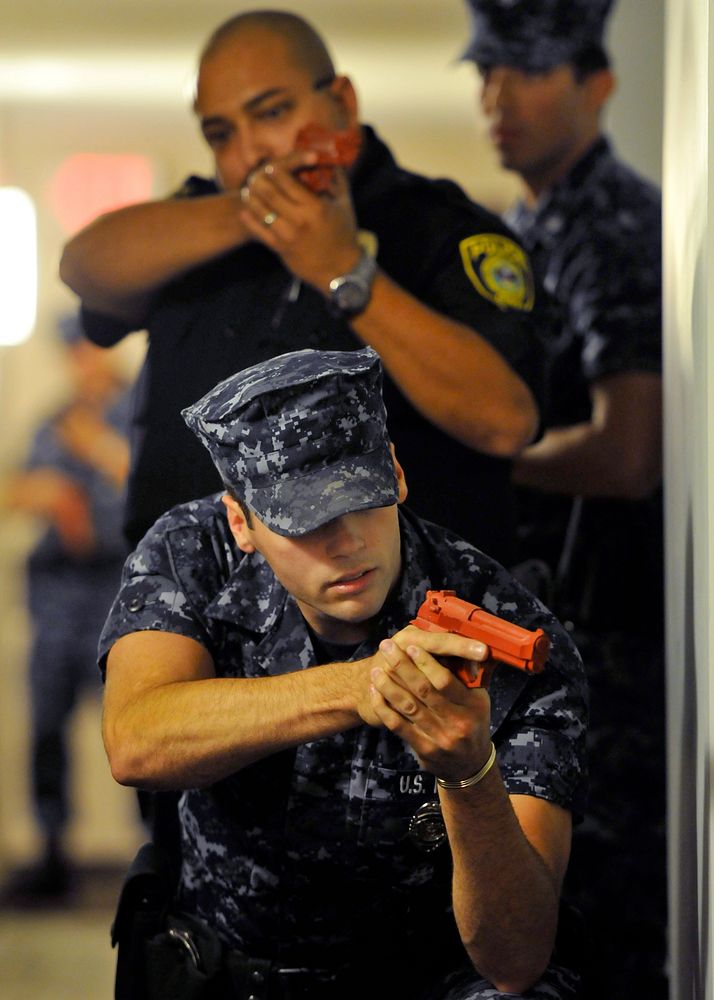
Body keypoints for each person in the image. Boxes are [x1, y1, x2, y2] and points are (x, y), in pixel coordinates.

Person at [101, 346, 588, 1000]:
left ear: (394, 473)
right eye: (304, 519)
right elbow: (136, 740)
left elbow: (515, 957)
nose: (344, 540)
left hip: (423, 980)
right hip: (230, 969)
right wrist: (355, 688)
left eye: (360, 498)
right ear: (242, 522)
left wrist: (468, 773)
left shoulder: (503, 629)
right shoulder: (194, 552)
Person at [58, 8, 550, 571]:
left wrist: (345, 270)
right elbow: (82, 266)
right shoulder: (195, 227)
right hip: (192, 608)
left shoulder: (439, 229)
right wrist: (255, 213)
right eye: (221, 135)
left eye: (271, 113)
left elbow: (505, 419)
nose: (250, 153)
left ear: (341, 102)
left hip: (393, 623)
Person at [459, 2, 666, 996]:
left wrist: (489, 454)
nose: (498, 98)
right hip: (544, 629)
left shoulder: (610, 222)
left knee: (599, 934)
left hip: (607, 641)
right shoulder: (527, 226)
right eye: (488, 72)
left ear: (598, 84)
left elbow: (630, 452)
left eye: (528, 72)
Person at [0, 313, 131, 904]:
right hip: (58, 598)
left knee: (134, 725)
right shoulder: (54, 420)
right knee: (46, 731)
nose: (81, 362)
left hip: (119, 597)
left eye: (87, 349)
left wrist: (99, 449)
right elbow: (14, 489)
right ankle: (51, 853)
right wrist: (44, 493)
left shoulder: (139, 412)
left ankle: (159, 851)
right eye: (72, 352)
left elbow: (155, 489)